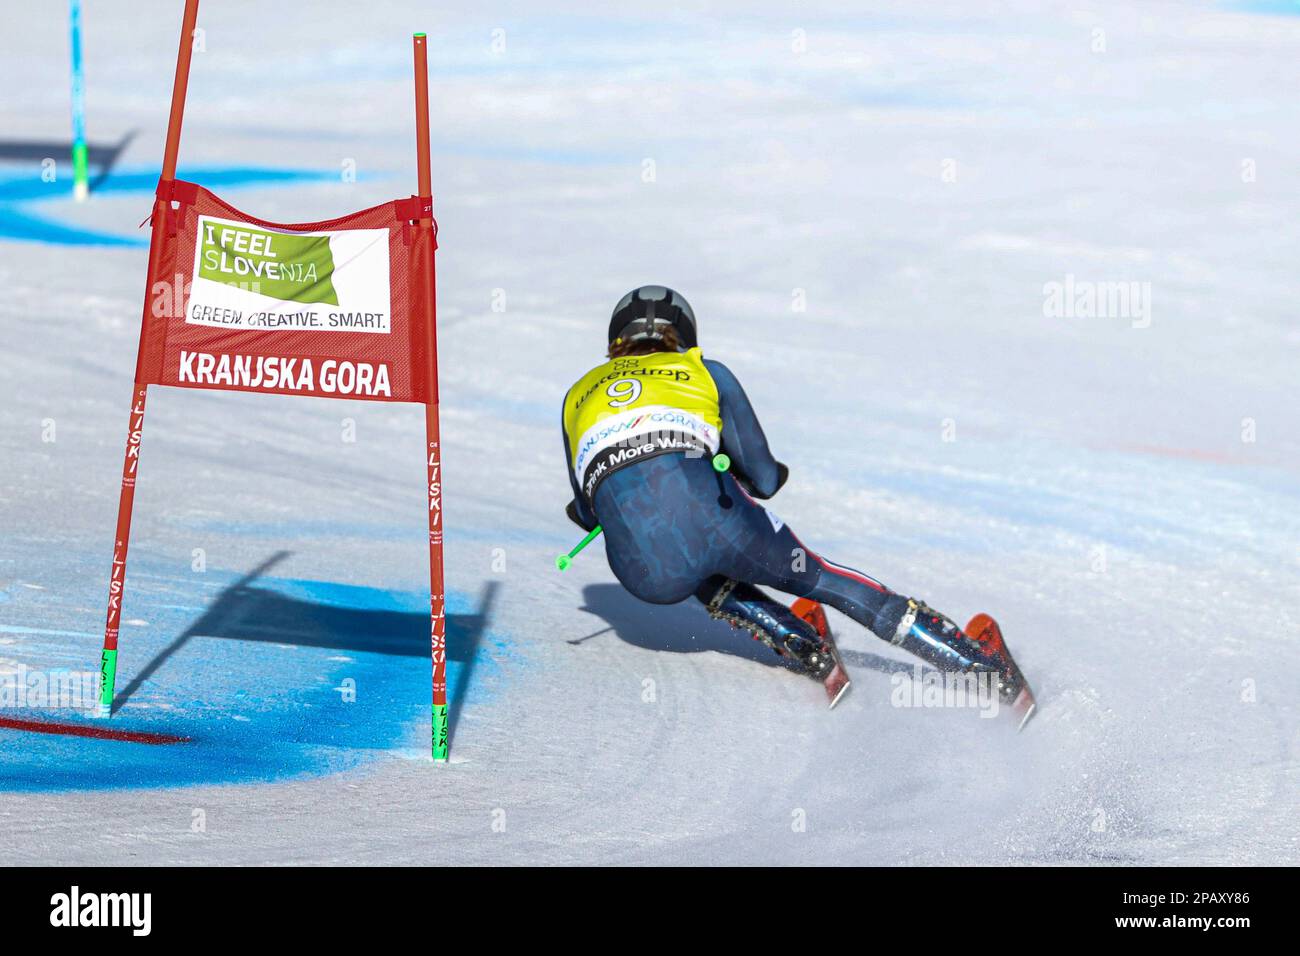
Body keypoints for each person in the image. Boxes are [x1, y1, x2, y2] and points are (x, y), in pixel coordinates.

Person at [561, 285, 1031, 714]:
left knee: (672, 544)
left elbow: (588, 510)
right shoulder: (703, 370)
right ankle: (979, 669)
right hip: (720, 524)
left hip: (643, 577)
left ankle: (798, 643)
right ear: (684, 334)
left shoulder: (576, 396)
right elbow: (763, 476)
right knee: (824, 578)